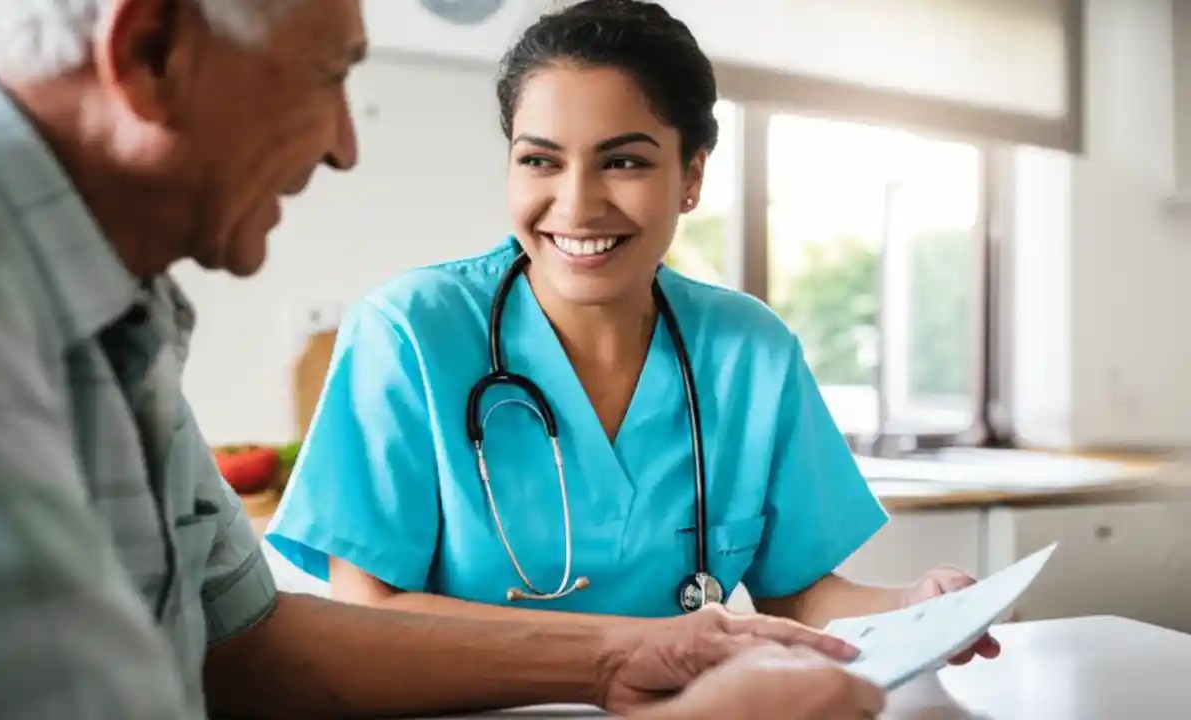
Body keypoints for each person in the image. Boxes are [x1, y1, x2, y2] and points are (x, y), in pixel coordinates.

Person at [0, 0, 886, 718]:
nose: (343, 146)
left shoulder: (116, 314)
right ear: (152, 49)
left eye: (624, 159)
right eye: (327, 75)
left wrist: (608, 661)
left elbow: (244, 642)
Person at [266, 0, 1001, 664]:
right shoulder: (410, 334)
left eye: (623, 161)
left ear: (692, 174)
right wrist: (634, 647)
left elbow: (799, 598)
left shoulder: (750, 352)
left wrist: (913, 608)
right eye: (539, 161)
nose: (577, 204)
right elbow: (369, 616)